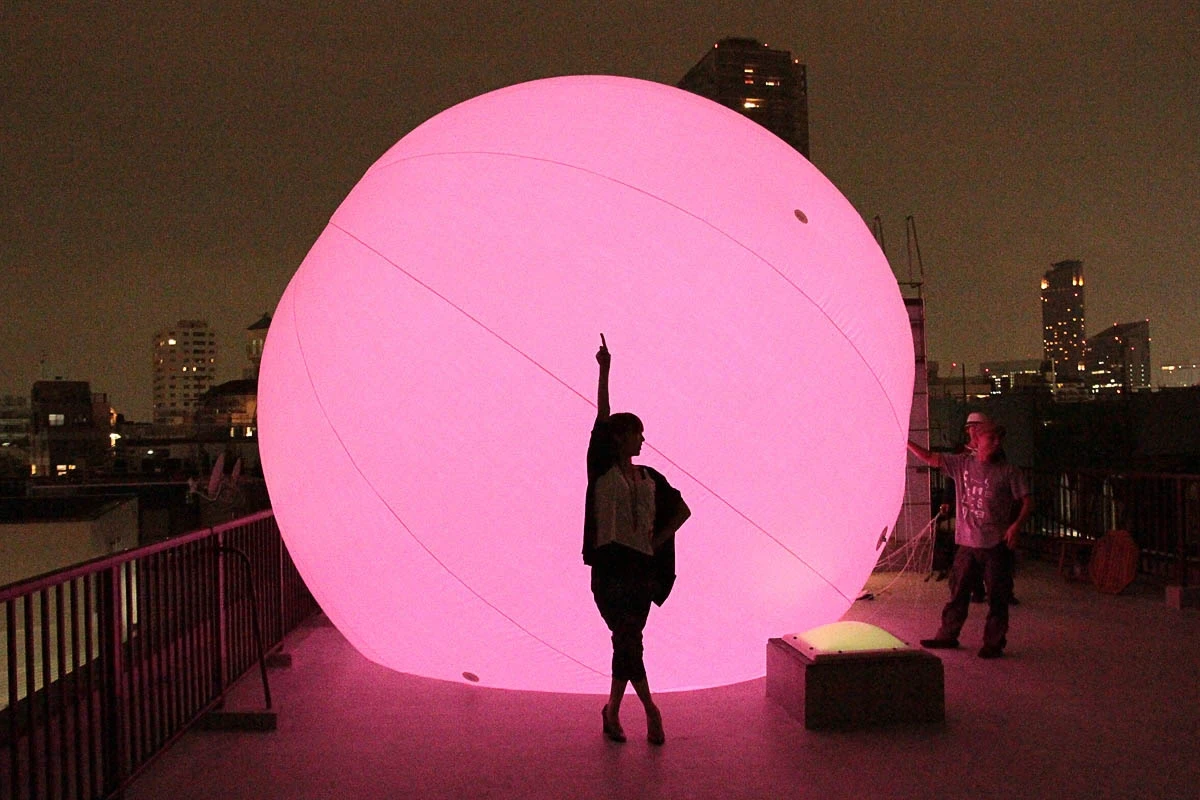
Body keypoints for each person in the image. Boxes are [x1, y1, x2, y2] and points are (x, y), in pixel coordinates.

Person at [583, 336, 691, 744]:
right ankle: (651, 711)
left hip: (641, 571)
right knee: (628, 639)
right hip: (611, 570)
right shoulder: (602, 469)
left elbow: (683, 510)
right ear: (621, 437)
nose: (644, 440)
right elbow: (603, 415)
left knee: (626, 642)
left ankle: (611, 713)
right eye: (638, 434)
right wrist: (604, 370)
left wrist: (657, 540)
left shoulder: (650, 478)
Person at [908, 414, 1032, 658]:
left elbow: (1027, 501)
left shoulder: (1008, 472)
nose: (997, 442)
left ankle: (993, 643)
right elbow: (931, 458)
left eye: (999, 438)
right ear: (977, 439)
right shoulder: (963, 465)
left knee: (997, 596)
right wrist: (906, 442)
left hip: (995, 545)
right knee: (958, 593)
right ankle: (947, 635)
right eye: (992, 437)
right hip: (967, 543)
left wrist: (1015, 526)